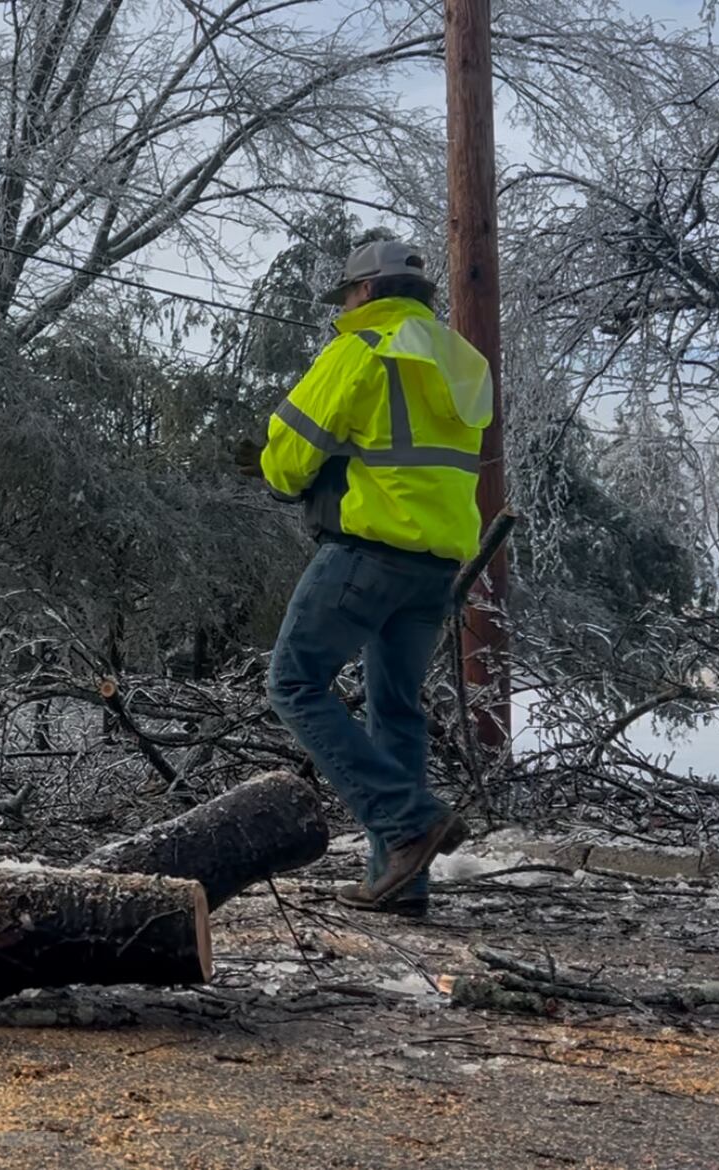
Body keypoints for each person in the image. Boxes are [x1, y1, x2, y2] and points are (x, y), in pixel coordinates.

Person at [238, 240, 493, 915]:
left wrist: (276, 470)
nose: (344, 307)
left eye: (347, 295)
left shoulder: (360, 349)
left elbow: (287, 457)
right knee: (395, 712)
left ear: (365, 293)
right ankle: (402, 882)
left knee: (293, 682)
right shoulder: (462, 360)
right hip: (436, 566)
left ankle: (407, 822)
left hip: (366, 552)